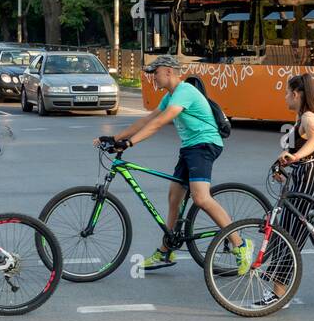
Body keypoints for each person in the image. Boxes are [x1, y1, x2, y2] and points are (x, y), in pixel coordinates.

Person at [101, 55, 252, 273]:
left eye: (155, 72)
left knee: (200, 197)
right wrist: (115, 138)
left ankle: (240, 244)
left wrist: (129, 143)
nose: (153, 77)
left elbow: (161, 122)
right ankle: (166, 250)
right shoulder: (170, 96)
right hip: (190, 147)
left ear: (169, 71)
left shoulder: (185, 92)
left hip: (205, 144)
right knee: (174, 196)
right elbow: (148, 120)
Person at [261, 74, 314, 308]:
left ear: (296, 93)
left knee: (290, 234)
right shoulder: (301, 116)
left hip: (312, 180)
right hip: (306, 177)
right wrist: (284, 167)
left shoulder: (309, 116)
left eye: (285, 92)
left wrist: (295, 157)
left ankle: (279, 294)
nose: (284, 97)